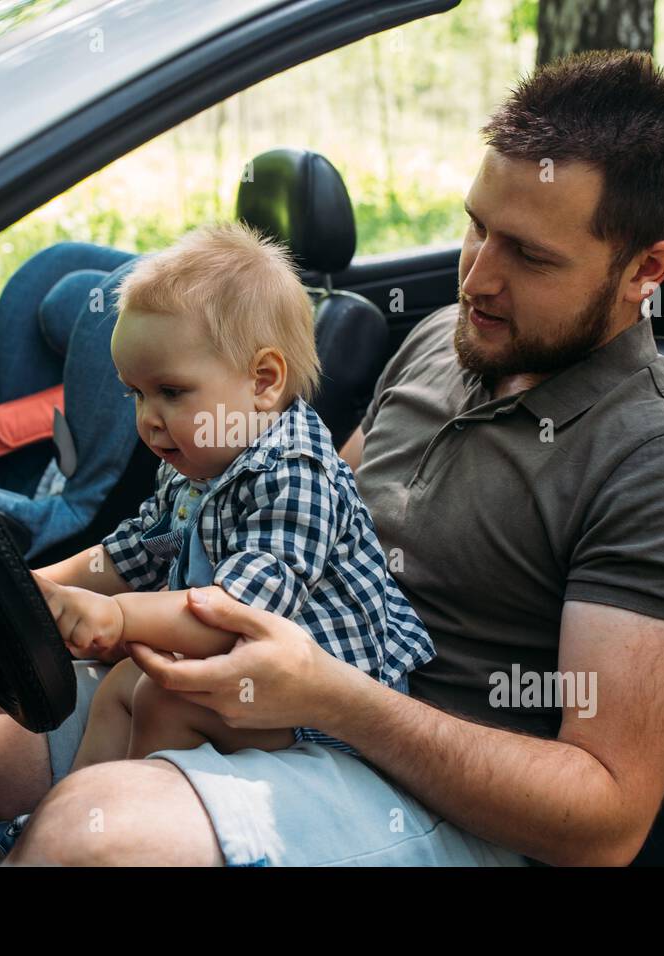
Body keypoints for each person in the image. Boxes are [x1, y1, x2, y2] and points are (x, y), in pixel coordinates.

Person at [0, 50, 664, 866]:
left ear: (648, 269)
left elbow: (606, 818)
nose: (476, 279)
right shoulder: (443, 342)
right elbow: (306, 515)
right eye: (477, 227)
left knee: (92, 833)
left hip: (439, 804)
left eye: (529, 255)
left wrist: (333, 697)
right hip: (278, 702)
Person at [32, 222, 434, 770]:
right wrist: (40, 587)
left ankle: (126, 820)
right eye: (136, 394)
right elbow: (134, 552)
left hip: (330, 719)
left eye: (171, 392)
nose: (148, 420)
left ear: (263, 381)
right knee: (124, 682)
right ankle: (70, 812)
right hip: (250, 675)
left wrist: (119, 618)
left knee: (163, 697)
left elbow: (235, 616)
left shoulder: (297, 475)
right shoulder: (197, 458)